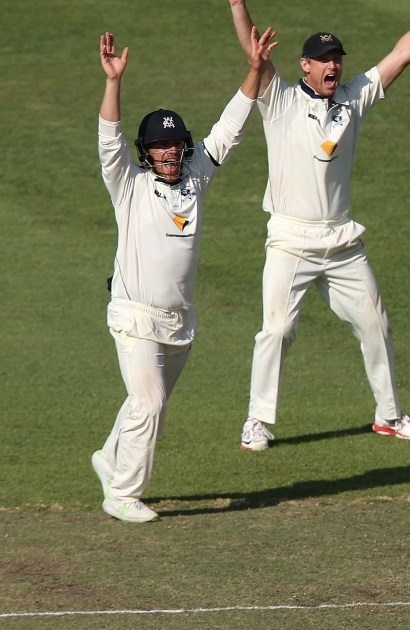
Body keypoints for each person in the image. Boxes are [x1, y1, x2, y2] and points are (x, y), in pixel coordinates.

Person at [226, 0, 410, 451]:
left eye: (338, 58)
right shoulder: (280, 100)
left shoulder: (354, 98)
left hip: (341, 240)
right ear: (306, 65)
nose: (334, 65)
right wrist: (238, 6)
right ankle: (256, 421)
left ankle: (389, 415)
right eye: (325, 59)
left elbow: (405, 51)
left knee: (376, 323)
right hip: (291, 239)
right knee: (276, 330)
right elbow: (254, 53)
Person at [92, 28, 277, 521]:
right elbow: (108, 141)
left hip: (179, 323)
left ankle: (109, 459)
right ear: (147, 153)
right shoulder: (127, 185)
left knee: (143, 406)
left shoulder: (196, 175)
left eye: (176, 145)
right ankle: (123, 494)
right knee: (149, 406)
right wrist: (113, 83)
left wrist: (257, 71)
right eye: (161, 147)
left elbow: (230, 128)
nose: (171, 153)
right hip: (134, 316)